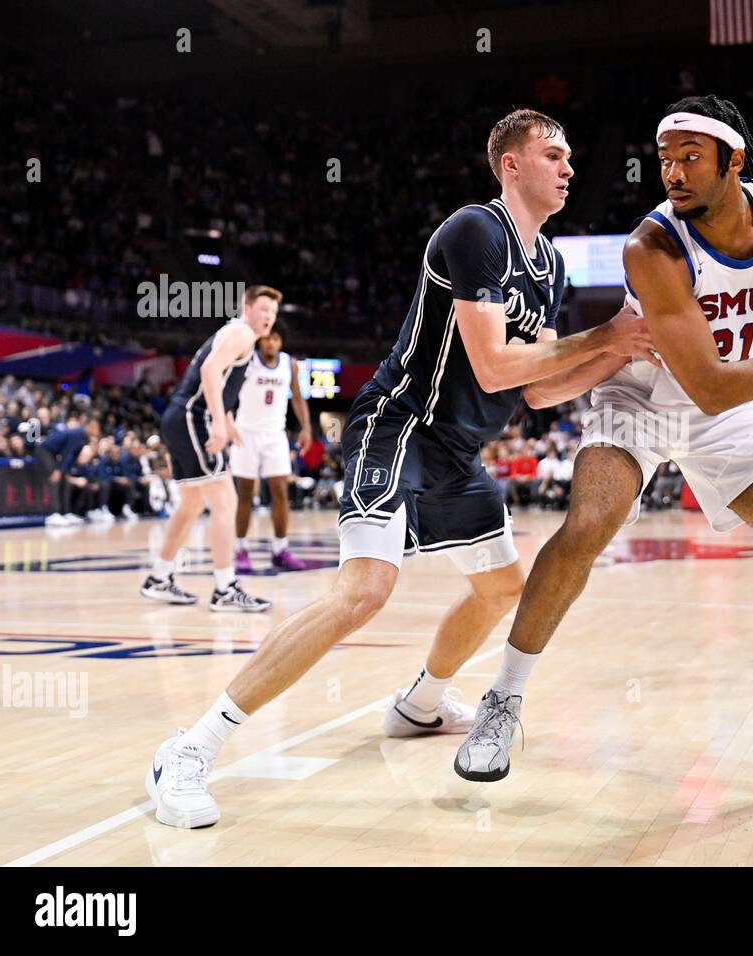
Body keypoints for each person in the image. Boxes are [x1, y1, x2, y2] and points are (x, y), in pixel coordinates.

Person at [143, 108, 653, 829]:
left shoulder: (551, 265)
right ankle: (190, 749)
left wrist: (618, 354)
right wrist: (606, 335)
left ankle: (419, 704)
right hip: (400, 427)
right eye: (552, 153)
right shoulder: (476, 231)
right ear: (510, 164)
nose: (569, 166)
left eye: (572, 156)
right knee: (365, 591)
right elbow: (493, 361)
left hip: (457, 449)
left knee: (503, 586)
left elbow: (535, 389)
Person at [454, 95, 753, 822]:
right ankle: (503, 701)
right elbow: (707, 381)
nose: (671, 172)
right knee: (589, 522)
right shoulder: (652, 246)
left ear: (734, 160)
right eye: (665, 160)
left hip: (726, 415)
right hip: (646, 397)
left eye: (689, 157)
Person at [139, 286, 278, 612]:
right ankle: (225, 587)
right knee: (226, 501)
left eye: (273, 312)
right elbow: (208, 371)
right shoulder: (241, 332)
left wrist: (227, 419)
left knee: (191, 503)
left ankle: (159, 577)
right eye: (263, 309)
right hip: (193, 418)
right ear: (247, 307)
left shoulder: (240, 335)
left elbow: (221, 382)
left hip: (182, 418)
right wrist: (217, 421)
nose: (268, 317)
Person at [231, 320, 313, 572]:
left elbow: (297, 398)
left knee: (280, 491)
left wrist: (306, 427)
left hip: (275, 434)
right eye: (268, 338)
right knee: (245, 492)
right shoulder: (247, 360)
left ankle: (280, 549)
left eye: (276, 339)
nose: (272, 343)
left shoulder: (289, 363)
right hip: (246, 433)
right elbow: (228, 392)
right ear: (260, 339)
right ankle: (240, 549)